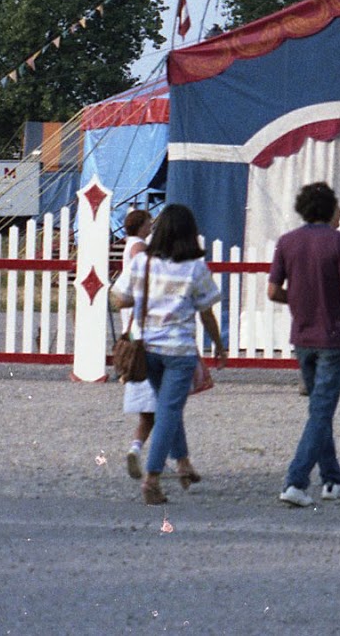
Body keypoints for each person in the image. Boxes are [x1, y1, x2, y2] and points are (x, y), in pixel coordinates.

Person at [110, 204, 225, 505]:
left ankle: (183, 462)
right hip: (180, 351)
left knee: (166, 408)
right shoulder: (195, 268)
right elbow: (207, 313)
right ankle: (152, 478)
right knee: (169, 411)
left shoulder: (143, 263)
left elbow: (120, 298)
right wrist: (218, 345)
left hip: (147, 349)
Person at [268, 181, 340, 507]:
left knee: (319, 408)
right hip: (333, 335)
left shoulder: (287, 242)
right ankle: (295, 481)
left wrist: (300, 300)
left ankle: (332, 480)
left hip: (302, 335)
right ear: (329, 209)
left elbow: (273, 292)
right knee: (321, 411)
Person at [115, 208, 157, 479]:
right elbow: (144, 273)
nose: (151, 225)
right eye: (148, 222)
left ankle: (137, 448)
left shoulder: (128, 244)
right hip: (144, 319)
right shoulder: (139, 247)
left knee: (149, 410)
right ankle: (163, 459)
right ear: (141, 226)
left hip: (133, 320)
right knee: (164, 407)